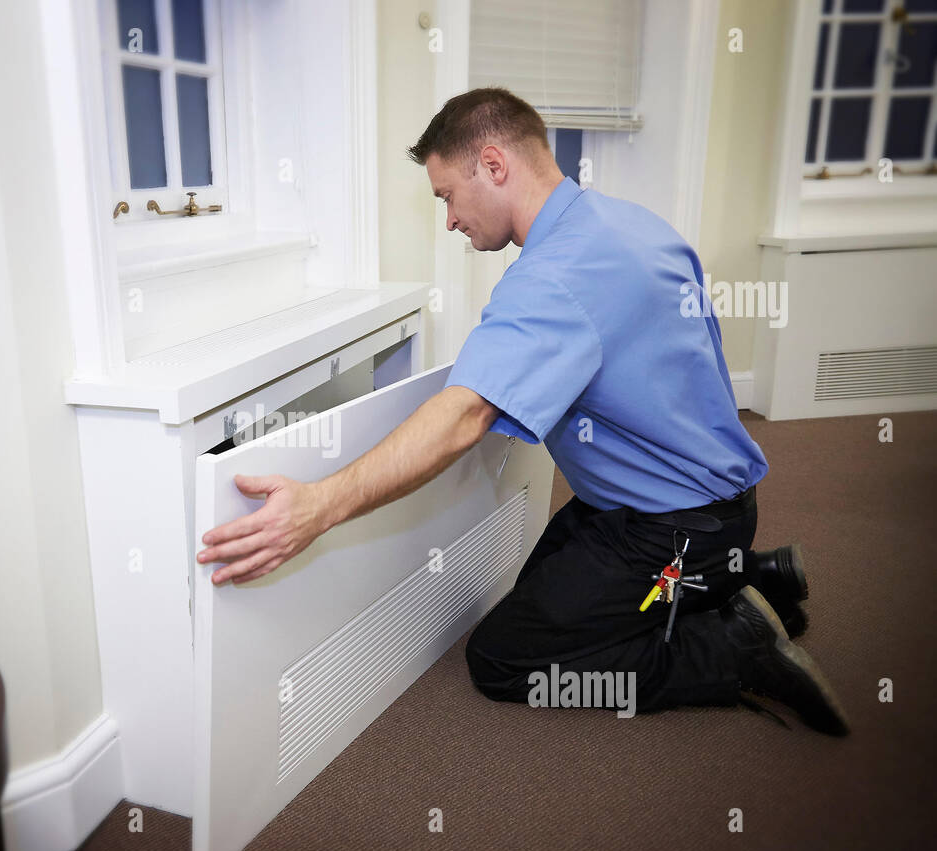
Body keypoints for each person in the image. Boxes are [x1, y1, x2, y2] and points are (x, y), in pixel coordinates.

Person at [195, 87, 848, 736]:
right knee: (543, 596)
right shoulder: (629, 225)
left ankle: (732, 647)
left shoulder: (555, 277)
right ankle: (746, 572)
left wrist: (318, 506)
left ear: (494, 165)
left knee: (508, 656)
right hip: (664, 501)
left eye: (447, 195)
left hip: (673, 529)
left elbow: (464, 416)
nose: (449, 220)